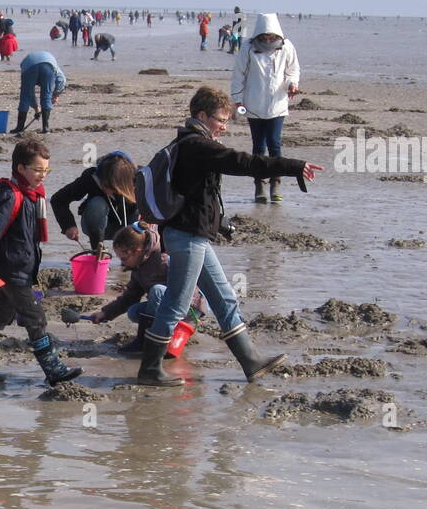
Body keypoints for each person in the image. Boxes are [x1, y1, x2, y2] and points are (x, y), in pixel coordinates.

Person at [134, 86, 322, 385]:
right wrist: (294, 166)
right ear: (202, 115)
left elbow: (202, 193)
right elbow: (245, 163)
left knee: (224, 298)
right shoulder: (197, 146)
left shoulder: (192, 143)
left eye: (227, 120)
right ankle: (149, 370)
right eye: (221, 119)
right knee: (176, 304)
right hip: (186, 236)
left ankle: (250, 362)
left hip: (194, 235)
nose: (225, 126)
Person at [0, 138, 82, 386]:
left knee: (2, 314)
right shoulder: (10, 195)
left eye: (46, 170)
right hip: (12, 269)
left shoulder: (31, 194)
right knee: (35, 317)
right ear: (20, 168)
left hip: (19, 267)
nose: (42, 175)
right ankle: (53, 369)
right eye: (37, 170)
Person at [80, 224, 205, 353]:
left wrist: (191, 312)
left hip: (188, 306)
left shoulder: (163, 259)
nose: (122, 263)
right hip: (168, 306)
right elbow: (129, 298)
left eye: (124, 258)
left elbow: (188, 285)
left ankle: (146, 340)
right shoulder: (138, 267)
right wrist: (105, 313)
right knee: (134, 311)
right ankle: (151, 334)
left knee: (157, 291)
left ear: (137, 250)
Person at [232, 11, 302, 204]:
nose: (269, 39)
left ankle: (276, 182)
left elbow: (293, 70)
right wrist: (237, 100)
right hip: (253, 104)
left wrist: (292, 84)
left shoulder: (286, 47)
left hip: (278, 104)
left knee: (274, 143)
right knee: (258, 146)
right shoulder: (248, 48)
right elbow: (239, 75)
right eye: (266, 36)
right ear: (259, 34)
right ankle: (259, 184)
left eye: (272, 36)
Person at [50, 150, 137, 252]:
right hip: (98, 225)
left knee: (143, 212)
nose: (109, 192)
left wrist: (147, 217)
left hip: (131, 225)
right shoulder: (90, 178)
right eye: (106, 186)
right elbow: (58, 199)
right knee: (97, 203)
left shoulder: (139, 178)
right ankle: (98, 250)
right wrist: (69, 225)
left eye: (114, 189)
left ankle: (134, 254)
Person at [11, 49, 66, 134]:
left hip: (30, 65)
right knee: (46, 96)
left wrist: (36, 108)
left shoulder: (26, 66)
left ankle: (19, 127)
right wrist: (56, 94)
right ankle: (45, 129)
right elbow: (62, 80)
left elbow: (29, 93)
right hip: (48, 65)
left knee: (25, 96)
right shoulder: (56, 68)